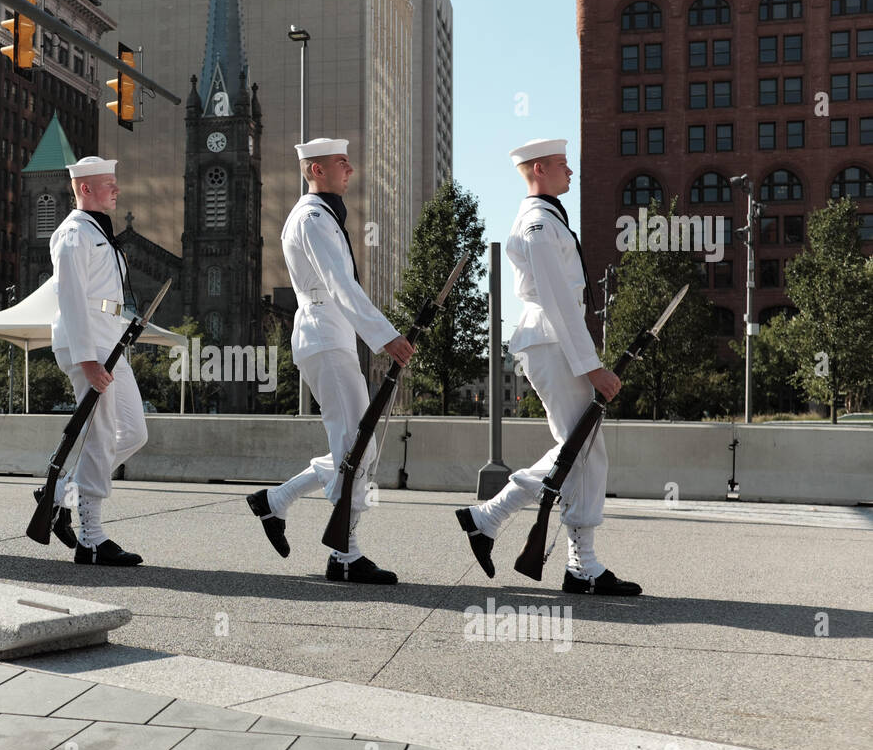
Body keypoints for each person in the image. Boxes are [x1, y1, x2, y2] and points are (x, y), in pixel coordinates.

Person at [455, 138, 640, 596]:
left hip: (558, 340)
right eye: (562, 165)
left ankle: (493, 519)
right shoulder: (538, 223)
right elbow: (558, 302)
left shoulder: (548, 217)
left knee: (579, 446)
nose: (570, 172)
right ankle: (580, 565)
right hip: (552, 339)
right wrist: (592, 366)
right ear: (539, 168)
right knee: (583, 447)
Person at [247, 138, 415, 585]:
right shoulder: (313, 218)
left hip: (331, 333)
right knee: (355, 445)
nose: (351, 169)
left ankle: (276, 501)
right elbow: (341, 285)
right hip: (325, 330)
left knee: (358, 445)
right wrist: (386, 337)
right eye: (341, 163)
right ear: (315, 170)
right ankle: (345, 555)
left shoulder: (325, 218)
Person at [40, 155, 147, 566]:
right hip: (89, 346)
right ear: (85, 189)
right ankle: (91, 538)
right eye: (109, 184)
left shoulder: (99, 232)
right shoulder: (73, 234)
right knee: (100, 436)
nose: (117, 190)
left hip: (109, 341)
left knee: (134, 432)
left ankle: (63, 491)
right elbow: (69, 298)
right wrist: (87, 359)